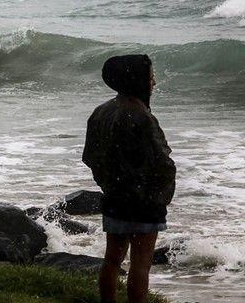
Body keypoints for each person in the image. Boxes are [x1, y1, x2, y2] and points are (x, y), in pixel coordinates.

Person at [82, 54, 176, 303]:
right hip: (145, 203)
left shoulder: (101, 111)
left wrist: (109, 184)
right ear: (136, 79)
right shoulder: (142, 116)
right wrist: (161, 193)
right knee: (140, 264)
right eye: (151, 77)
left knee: (112, 259)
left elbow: (90, 156)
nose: (153, 82)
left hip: (114, 197)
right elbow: (162, 163)